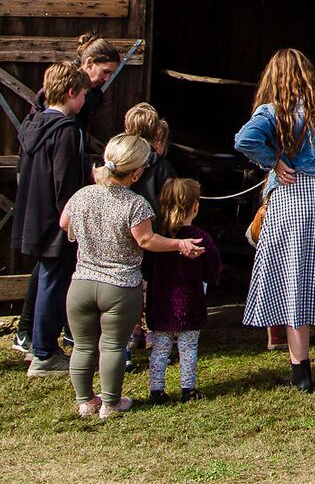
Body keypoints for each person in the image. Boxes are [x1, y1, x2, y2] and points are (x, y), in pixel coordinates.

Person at [235, 48, 315, 392]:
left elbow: (243, 139)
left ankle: (300, 371)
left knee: (295, 284)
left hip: (291, 200)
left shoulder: (274, 112)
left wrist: (273, 160)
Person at [61, 133, 205, 418]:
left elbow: (65, 223)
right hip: (119, 285)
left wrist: (84, 235)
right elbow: (147, 240)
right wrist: (179, 244)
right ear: (137, 172)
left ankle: (85, 402)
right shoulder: (135, 204)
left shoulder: (82, 194)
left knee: (84, 345)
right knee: (113, 345)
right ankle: (111, 403)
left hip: (81, 283)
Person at [13, 34, 122, 358]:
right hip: (58, 210)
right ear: (86, 67)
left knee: (51, 270)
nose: (104, 82)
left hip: (42, 207)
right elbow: (61, 177)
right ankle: (38, 341)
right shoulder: (63, 127)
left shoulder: (52, 120)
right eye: (102, 74)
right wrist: (73, 210)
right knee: (53, 273)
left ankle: (43, 334)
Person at [11, 61, 90, 379]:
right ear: (71, 93)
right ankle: (43, 353)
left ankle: (40, 345)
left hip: (34, 216)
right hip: (59, 221)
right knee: (54, 284)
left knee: (46, 278)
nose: (85, 100)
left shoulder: (33, 125)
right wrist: (75, 220)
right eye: (84, 94)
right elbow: (65, 183)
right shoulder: (67, 132)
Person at [144, 178, 222, 403]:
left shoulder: (158, 240)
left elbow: (147, 269)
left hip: (161, 301)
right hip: (189, 301)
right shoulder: (200, 238)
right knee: (188, 347)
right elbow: (213, 268)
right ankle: (188, 388)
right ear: (195, 207)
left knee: (160, 347)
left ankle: (156, 389)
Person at [123, 102, 177, 213]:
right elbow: (172, 204)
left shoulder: (118, 158)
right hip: (150, 226)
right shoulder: (163, 168)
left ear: (127, 130)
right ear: (155, 132)